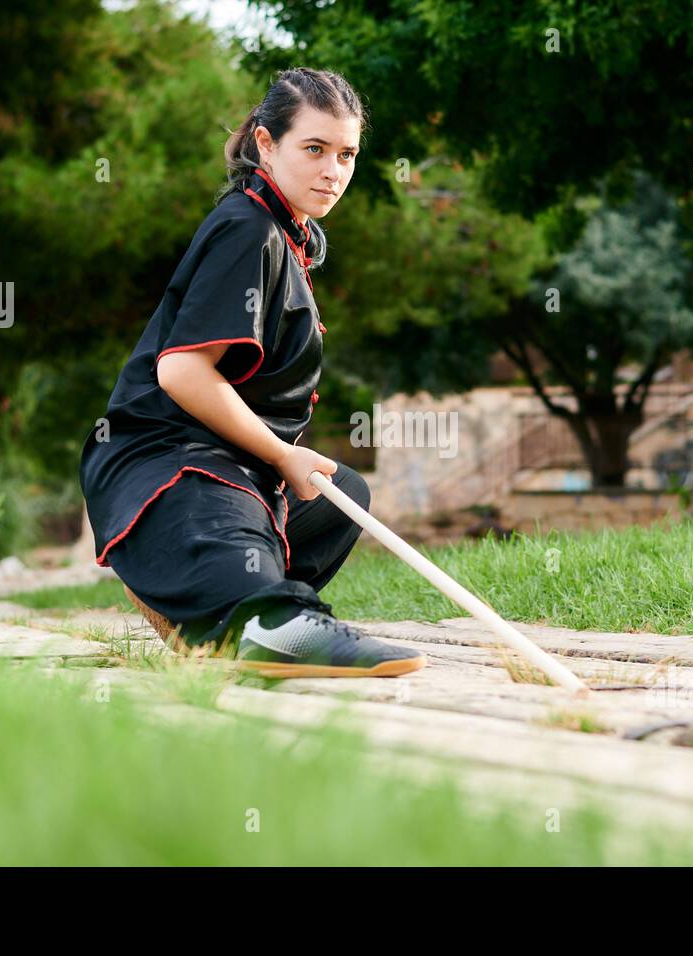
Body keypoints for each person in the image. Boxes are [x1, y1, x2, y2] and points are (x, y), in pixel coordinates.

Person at [78, 68, 425, 680]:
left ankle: (220, 615)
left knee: (342, 494)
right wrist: (281, 454)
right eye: (313, 149)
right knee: (271, 597)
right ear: (266, 144)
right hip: (169, 462)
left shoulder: (287, 236)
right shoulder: (249, 228)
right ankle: (265, 622)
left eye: (347, 155)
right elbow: (183, 373)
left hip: (233, 466)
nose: (333, 171)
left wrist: (285, 462)